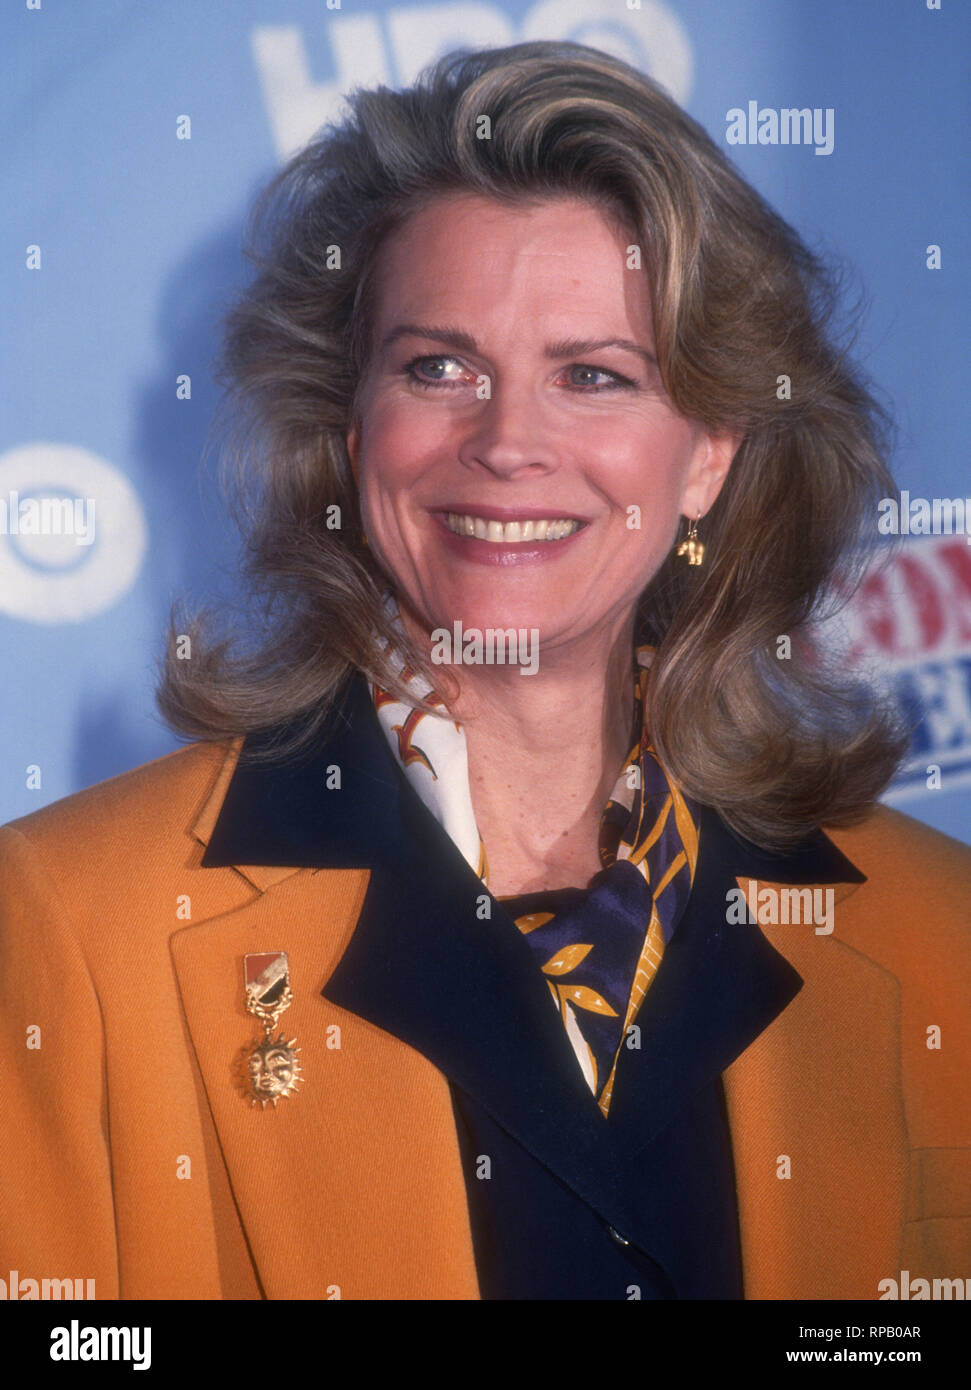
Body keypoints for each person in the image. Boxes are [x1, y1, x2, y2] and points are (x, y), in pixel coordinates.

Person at [1, 41, 968, 1302]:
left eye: (592, 376)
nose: (508, 443)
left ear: (708, 455)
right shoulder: (74, 922)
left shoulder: (931, 927)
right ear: (352, 432)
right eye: (437, 367)